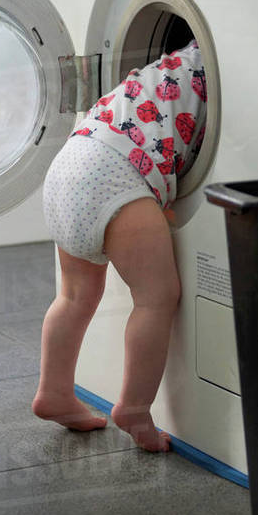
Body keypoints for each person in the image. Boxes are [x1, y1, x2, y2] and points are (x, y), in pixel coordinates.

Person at [33, 40, 207, 451]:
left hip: (72, 160)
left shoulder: (174, 63)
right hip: (116, 174)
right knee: (156, 299)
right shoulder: (228, 60)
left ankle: (54, 391)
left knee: (74, 296)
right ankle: (134, 407)